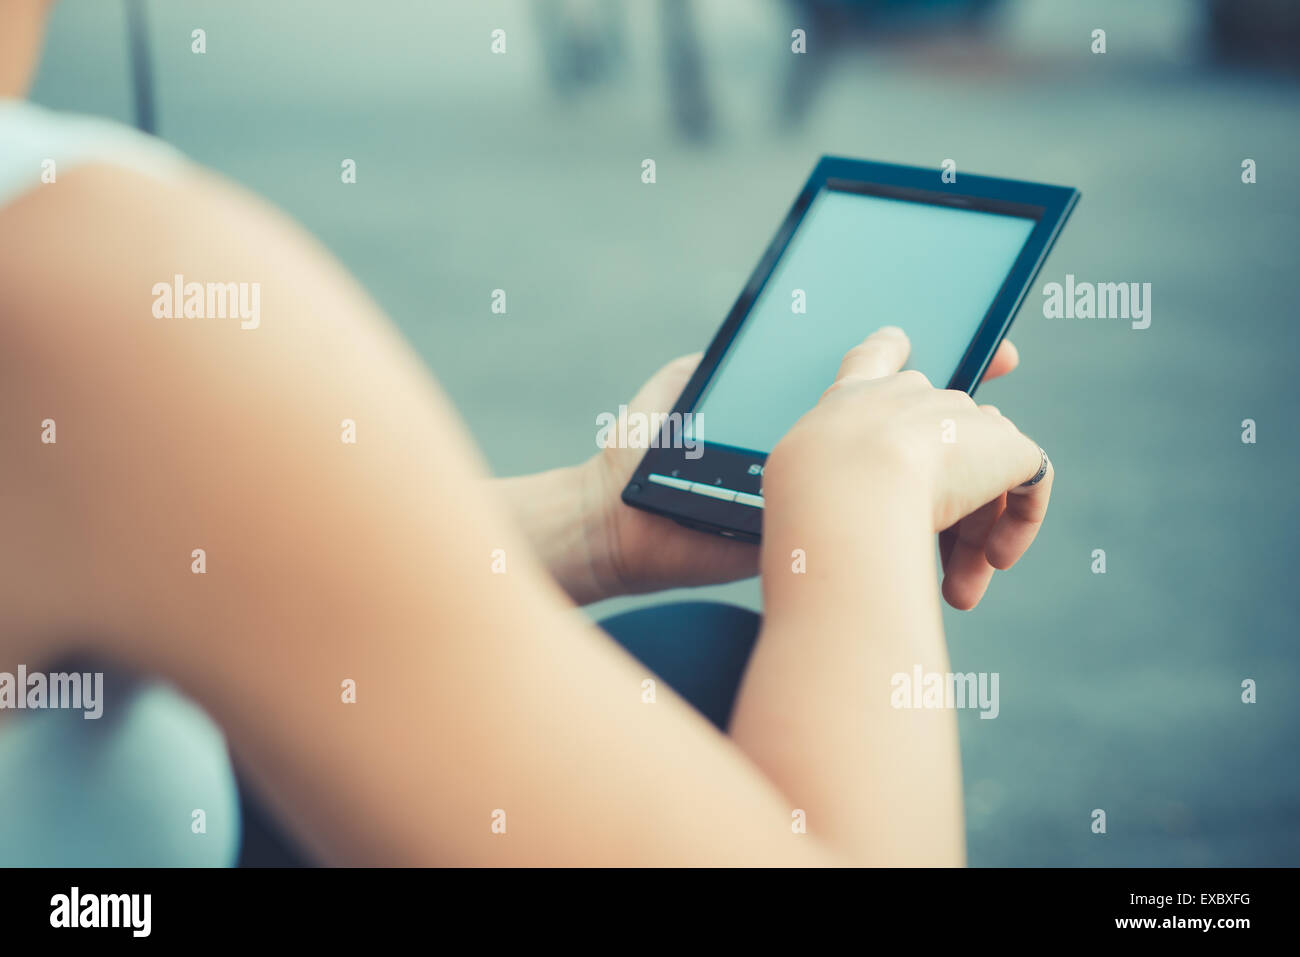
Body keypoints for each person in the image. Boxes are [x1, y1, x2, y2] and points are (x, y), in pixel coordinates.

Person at [0, 0, 1051, 866]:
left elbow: (178, 561)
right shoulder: (77, 274)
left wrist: (592, 522)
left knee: (686, 661)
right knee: (728, 692)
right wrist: (859, 511)